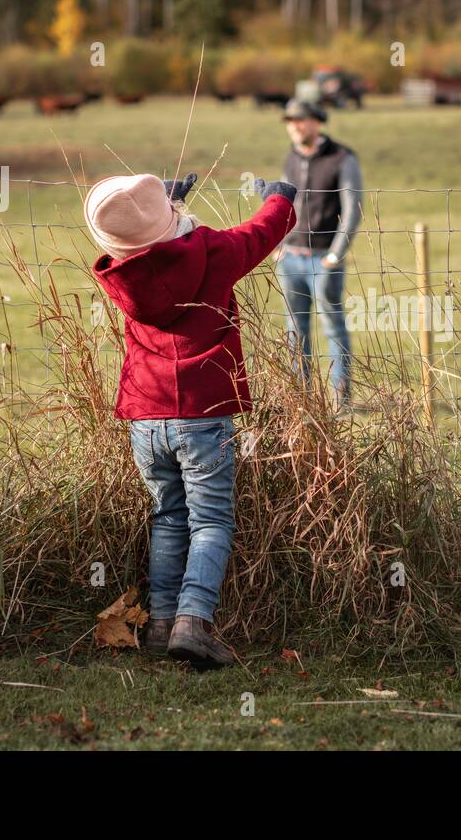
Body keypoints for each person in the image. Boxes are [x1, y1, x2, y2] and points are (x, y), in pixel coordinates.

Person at [87, 170, 297, 669]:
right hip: (202, 415)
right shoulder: (213, 251)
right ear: (170, 223)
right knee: (210, 518)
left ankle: (160, 623)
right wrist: (280, 198)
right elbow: (260, 234)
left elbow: (149, 251)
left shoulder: (119, 271)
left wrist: (164, 207)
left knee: (169, 516)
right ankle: (193, 621)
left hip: (145, 417)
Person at [275, 99, 363, 405]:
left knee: (333, 327)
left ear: (317, 122)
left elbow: (353, 210)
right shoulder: (291, 158)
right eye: (290, 121)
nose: (295, 126)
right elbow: (282, 206)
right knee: (294, 332)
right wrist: (278, 246)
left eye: (301, 120)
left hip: (324, 259)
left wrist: (334, 256)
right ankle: (303, 401)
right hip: (290, 260)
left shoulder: (342, 158)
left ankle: (341, 400)